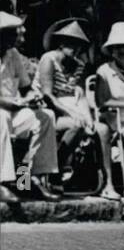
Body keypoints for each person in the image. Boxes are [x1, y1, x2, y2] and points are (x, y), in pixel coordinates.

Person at [0, 11, 60, 201]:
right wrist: (14, 102)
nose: (16, 38)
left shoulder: (13, 54)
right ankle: (2, 184)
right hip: (4, 112)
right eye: (11, 33)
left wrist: (33, 97)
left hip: (12, 111)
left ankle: (34, 177)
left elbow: (25, 88)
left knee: (46, 116)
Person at [35, 18, 103, 168]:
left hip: (67, 110)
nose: (76, 49)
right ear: (61, 44)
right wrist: (72, 113)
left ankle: (63, 169)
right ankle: (47, 172)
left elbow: (81, 95)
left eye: (80, 46)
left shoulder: (79, 64)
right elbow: (47, 95)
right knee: (25, 155)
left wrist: (88, 117)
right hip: (46, 111)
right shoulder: (49, 59)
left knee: (92, 128)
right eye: (72, 44)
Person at [94, 22, 124, 200]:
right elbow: (102, 101)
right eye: (117, 47)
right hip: (113, 118)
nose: (122, 50)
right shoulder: (104, 71)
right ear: (112, 50)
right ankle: (109, 184)